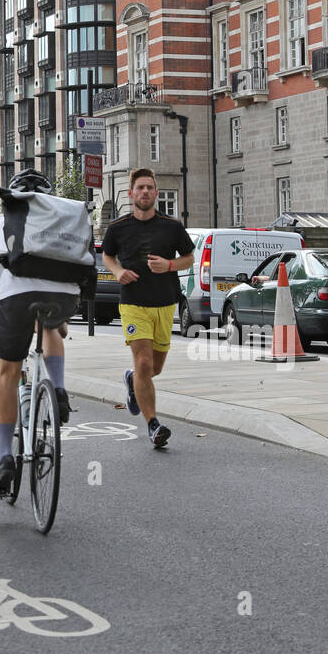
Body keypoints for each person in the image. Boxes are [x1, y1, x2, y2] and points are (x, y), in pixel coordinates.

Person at [0, 169, 80, 500]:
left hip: (14, 300)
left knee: (8, 371)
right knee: (49, 325)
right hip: (63, 297)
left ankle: (4, 457)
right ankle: (58, 390)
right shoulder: (62, 220)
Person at [101, 167, 194, 449]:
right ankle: (153, 425)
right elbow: (107, 256)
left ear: (155, 193)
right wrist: (117, 272)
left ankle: (132, 381)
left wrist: (168, 265)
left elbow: (189, 258)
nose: (145, 192)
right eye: (140, 188)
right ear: (131, 194)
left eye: (149, 188)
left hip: (164, 302)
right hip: (132, 303)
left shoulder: (172, 226)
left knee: (154, 368)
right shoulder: (118, 227)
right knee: (143, 362)